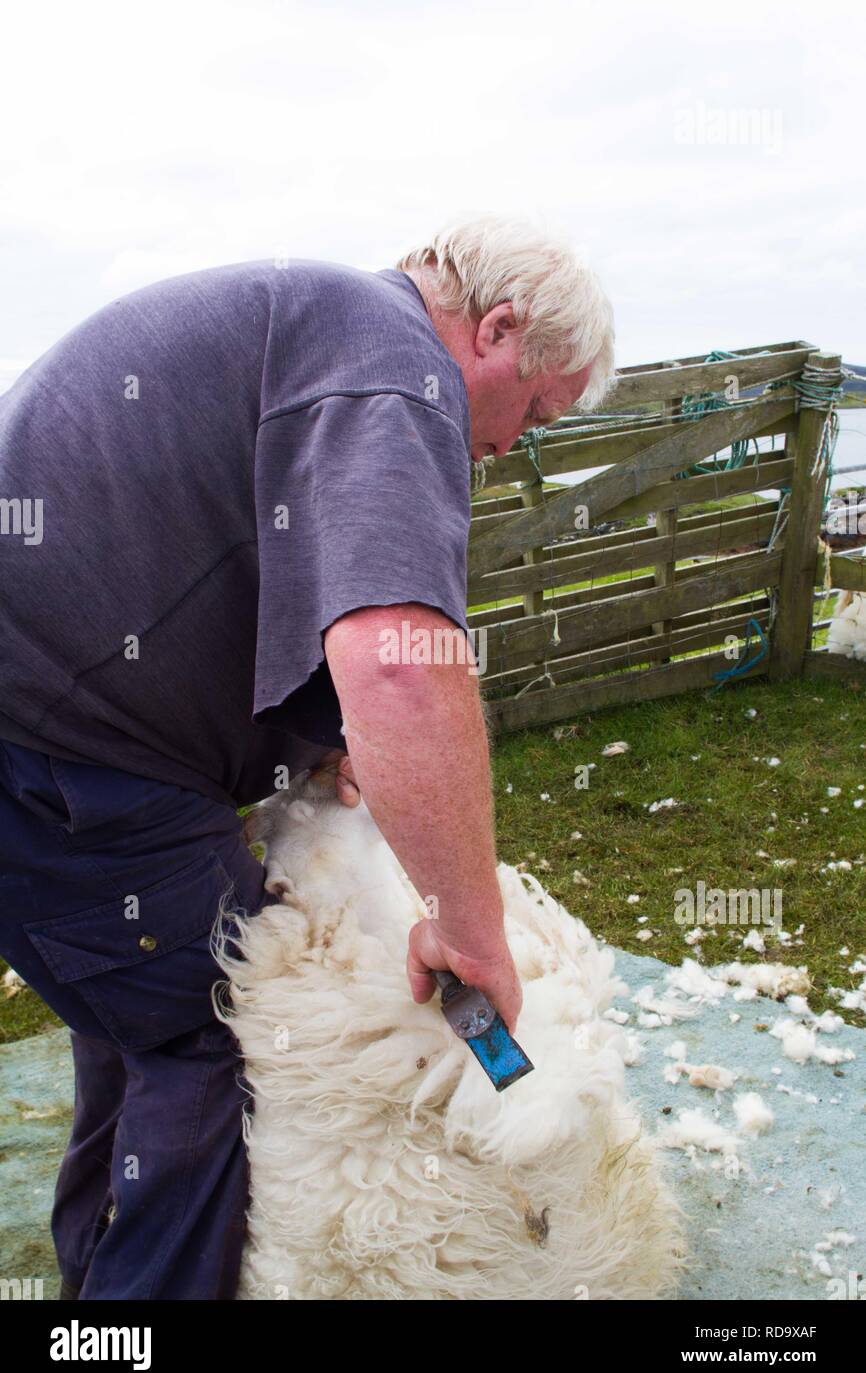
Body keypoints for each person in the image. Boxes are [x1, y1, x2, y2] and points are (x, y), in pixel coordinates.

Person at [0, 214, 614, 1299]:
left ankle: (95, 1283)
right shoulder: (395, 371)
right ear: (499, 328)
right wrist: (468, 930)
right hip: (64, 757)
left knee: (135, 1010)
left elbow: (252, 569)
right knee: (219, 1040)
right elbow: (398, 662)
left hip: (56, 734)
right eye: (535, 408)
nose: (515, 444)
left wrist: (327, 741)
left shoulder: (322, 330)